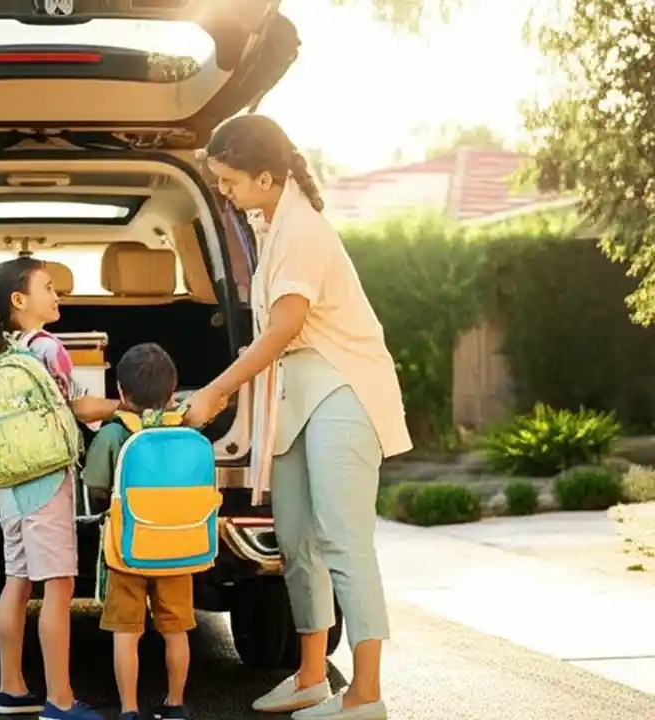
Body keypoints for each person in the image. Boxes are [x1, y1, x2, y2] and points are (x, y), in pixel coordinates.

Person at [183, 115, 412, 720]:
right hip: (299, 394)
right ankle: (311, 676)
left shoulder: (303, 231)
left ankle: (365, 694)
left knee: (342, 536)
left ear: (266, 175)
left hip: (343, 386)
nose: (225, 191)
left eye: (230, 180)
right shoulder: (268, 224)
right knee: (294, 536)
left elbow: (284, 327)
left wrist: (215, 392)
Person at [0, 256, 118, 720]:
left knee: (17, 579)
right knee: (58, 584)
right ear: (20, 299)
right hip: (47, 478)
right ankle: (60, 698)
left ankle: (11, 688)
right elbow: (77, 407)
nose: (58, 295)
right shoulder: (50, 348)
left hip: (9, 482)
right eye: (49, 287)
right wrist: (123, 405)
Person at [82, 343, 194, 720]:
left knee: (126, 634)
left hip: (126, 550)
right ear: (173, 391)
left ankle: (129, 708)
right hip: (179, 547)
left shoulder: (115, 435)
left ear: (120, 392)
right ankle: (175, 704)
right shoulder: (184, 431)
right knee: (176, 630)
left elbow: (96, 485)